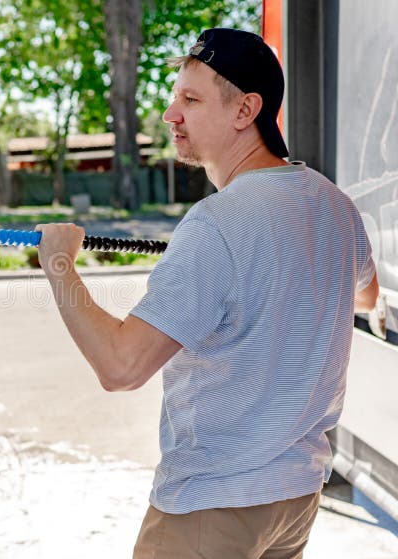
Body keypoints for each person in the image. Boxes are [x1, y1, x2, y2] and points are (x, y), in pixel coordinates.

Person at [35, 28, 379, 558]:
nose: (172, 114)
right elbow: (365, 297)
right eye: (176, 98)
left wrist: (60, 266)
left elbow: (121, 367)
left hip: (211, 507)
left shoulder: (217, 223)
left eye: (190, 100)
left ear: (246, 110)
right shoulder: (333, 205)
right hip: (292, 503)